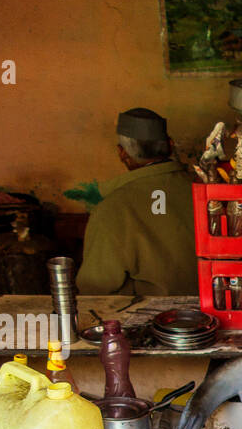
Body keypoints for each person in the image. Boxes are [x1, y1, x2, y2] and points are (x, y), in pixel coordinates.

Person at [76, 107, 197, 296]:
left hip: (149, 318)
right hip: (212, 312)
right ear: (170, 144)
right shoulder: (208, 190)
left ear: (122, 153)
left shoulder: (112, 208)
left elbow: (95, 288)